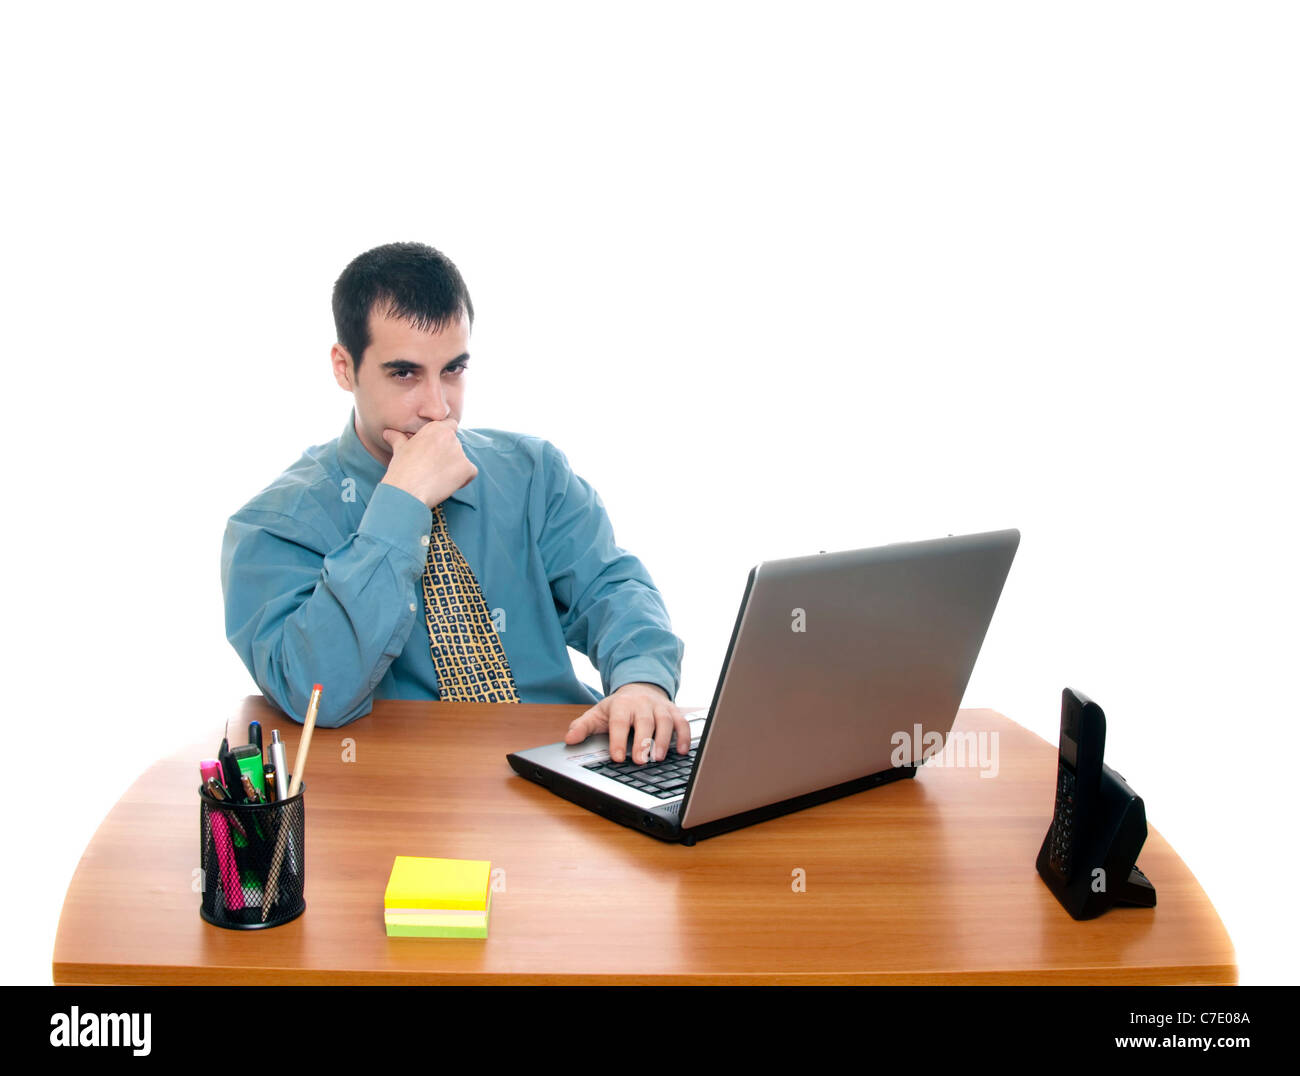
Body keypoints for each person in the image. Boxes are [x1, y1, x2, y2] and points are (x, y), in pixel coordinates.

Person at [221, 241, 688, 764]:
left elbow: (610, 588)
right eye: (404, 373)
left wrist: (642, 682)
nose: (438, 408)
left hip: (564, 764)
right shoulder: (273, 526)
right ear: (344, 367)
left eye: (452, 369)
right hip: (405, 786)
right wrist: (401, 504)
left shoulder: (533, 473)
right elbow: (316, 696)